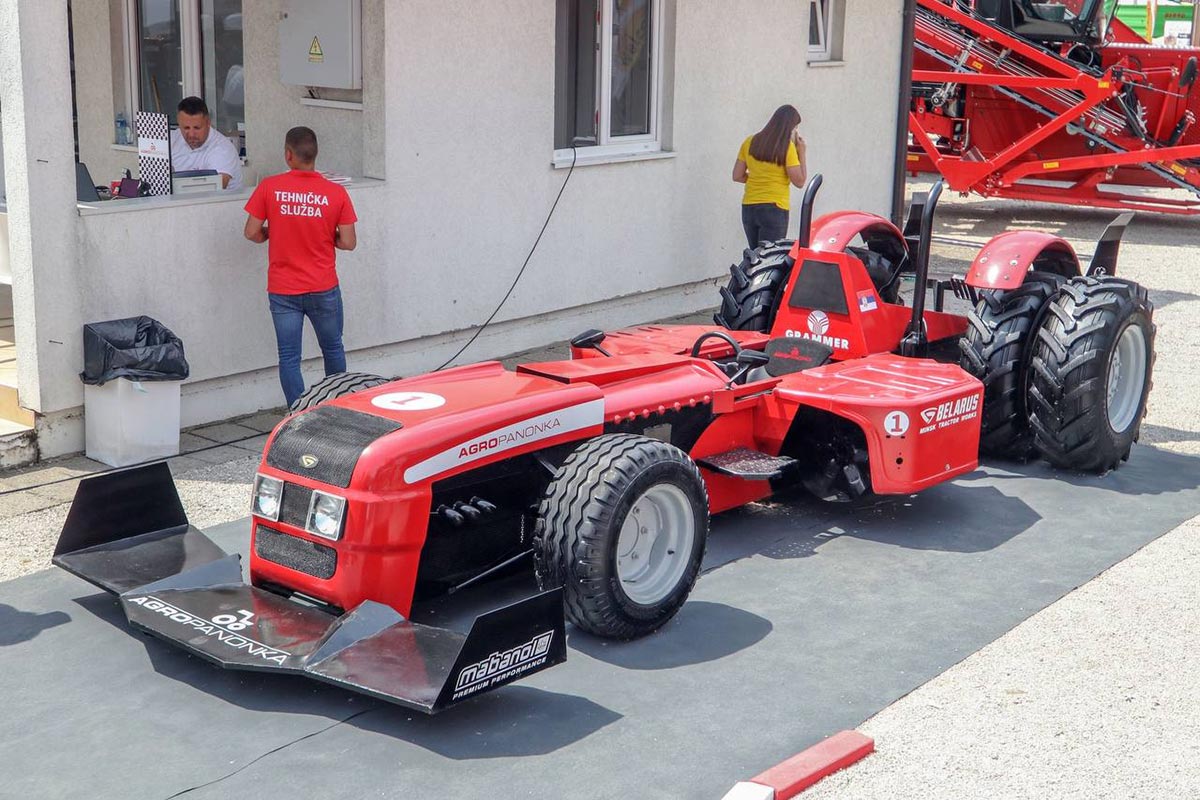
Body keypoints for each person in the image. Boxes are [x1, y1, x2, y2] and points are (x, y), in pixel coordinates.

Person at [243, 127, 358, 408]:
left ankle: (297, 415)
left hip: (284, 289)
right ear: (315, 154)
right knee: (332, 348)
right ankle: (339, 408)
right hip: (323, 286)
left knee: (289, 357)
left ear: (288, 155)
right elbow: (349, 242)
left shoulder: (269, 187)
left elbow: (251, 232)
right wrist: (327, 237)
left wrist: (270, 233)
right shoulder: (336, 192)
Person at [733, 105, 808, 248]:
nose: (796, 132)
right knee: (770, 259)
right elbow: (800, 181)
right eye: (795, 128)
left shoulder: (749, 142)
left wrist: (757, 179)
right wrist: (802, 152)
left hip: (749, 207)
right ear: (790, 128)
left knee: (755, 257)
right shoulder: (787, 147)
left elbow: (737, 175)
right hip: (775, 208)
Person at [171, 96, 243, 191]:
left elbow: (214, 189)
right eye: (186, 128)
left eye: (197, 128)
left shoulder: (222, 149)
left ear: (208, 123)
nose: (191, 134)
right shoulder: (172, 139)